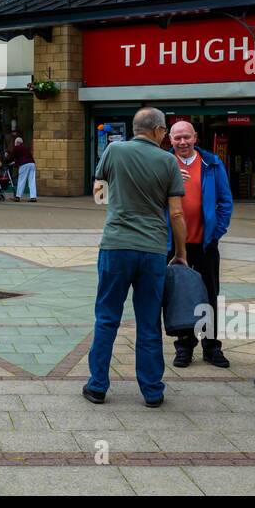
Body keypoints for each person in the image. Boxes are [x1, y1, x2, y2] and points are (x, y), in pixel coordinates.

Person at [84, 107, 189, 408]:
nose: (166, 135)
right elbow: (177, 213)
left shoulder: (114, 151)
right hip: (153, 249)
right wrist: (180, 253)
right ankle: (152, 391)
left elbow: (98, 193)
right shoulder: (168, 161)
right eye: (165, 131)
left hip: (116, 245)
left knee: (106, 317)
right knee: (148, 322)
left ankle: (97, 386)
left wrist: (119, 202)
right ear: (157, 131)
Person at [165, 121, 235, 369]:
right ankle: (184, 346)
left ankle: (212, 346)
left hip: (204, 244)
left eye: (186, 137)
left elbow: (226, 201)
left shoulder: (212, 163)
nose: (182, 142)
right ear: (170, 140)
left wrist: (215, 233)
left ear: (195, 137)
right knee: (181, 297)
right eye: (177, 138)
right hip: (173, 245)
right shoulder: (163, 163)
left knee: (209, 294)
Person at [7, 136, 37, 201]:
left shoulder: (16, 148)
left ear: (17, 142)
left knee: (21, 180)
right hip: (32, 164)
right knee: (32, 181)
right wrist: (15, 163)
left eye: (15, 143)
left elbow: (11, 157)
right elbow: (21, 157)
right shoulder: (25, 148)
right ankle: (33, 197)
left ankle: (18, 196)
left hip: (24, 165)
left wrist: (6, 162)